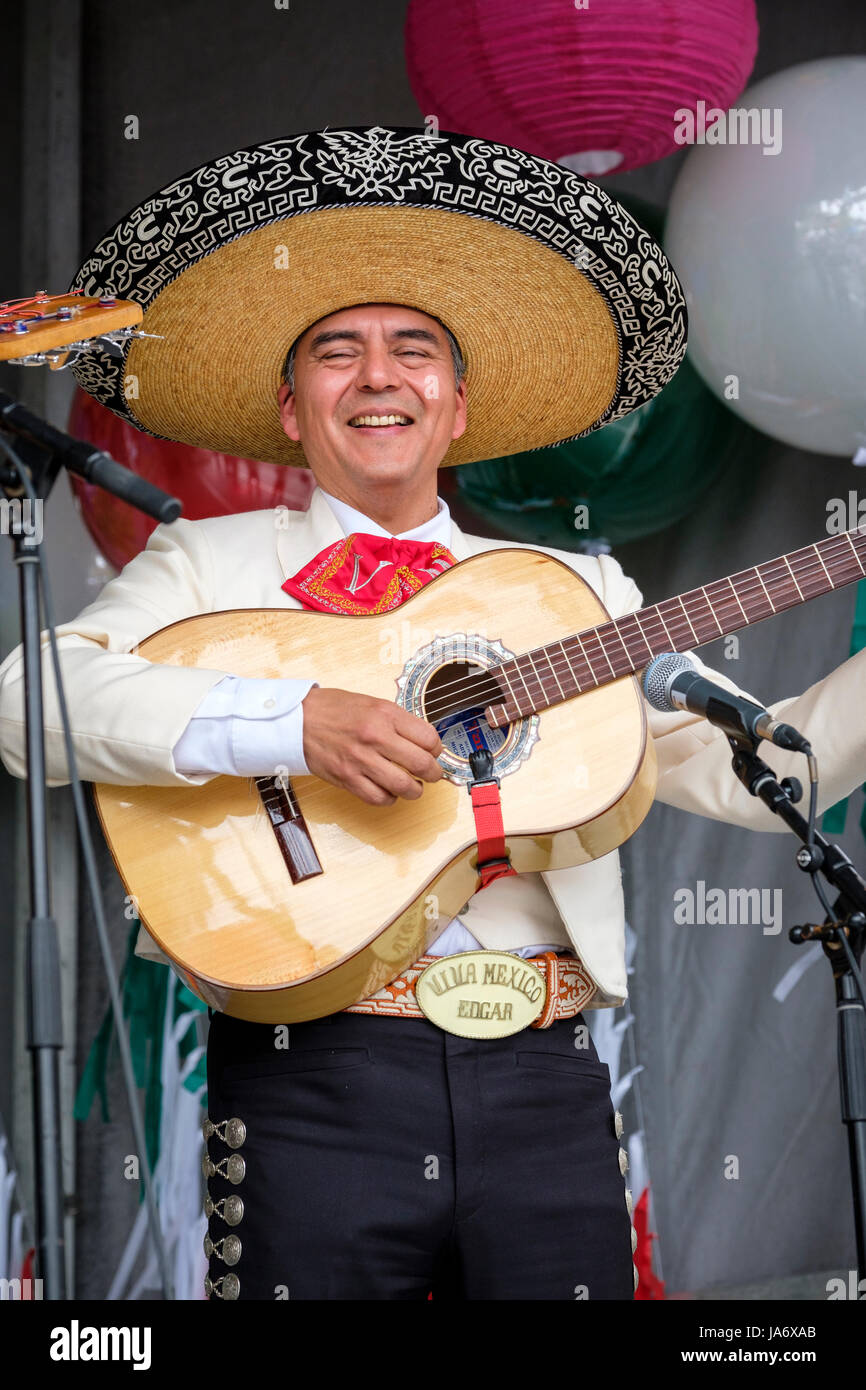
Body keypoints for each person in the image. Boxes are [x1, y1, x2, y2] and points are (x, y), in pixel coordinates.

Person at [2, 127, 865, 1300]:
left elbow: (760, 773)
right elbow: (30, 704)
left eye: (414, 352)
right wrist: (291, 719)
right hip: (315, 1079)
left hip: (546, 1084)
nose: (378, 376)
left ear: (457, 407)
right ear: (288, 408)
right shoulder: (205, 560)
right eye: (336, 352)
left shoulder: (571, 593)